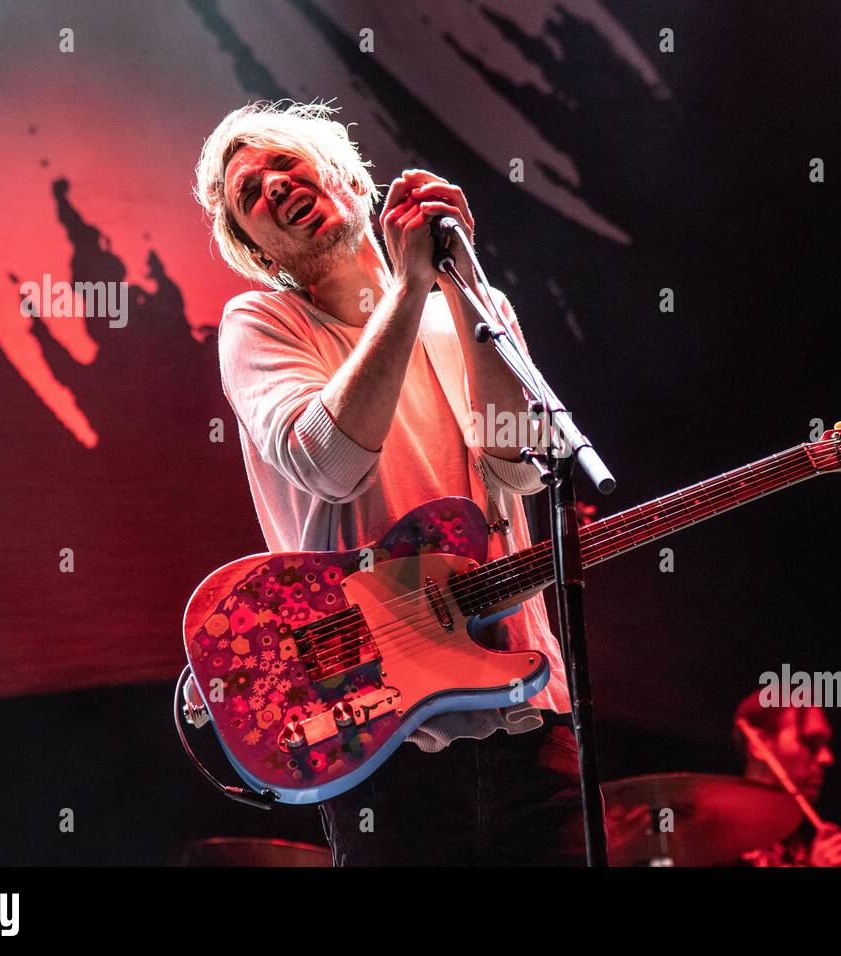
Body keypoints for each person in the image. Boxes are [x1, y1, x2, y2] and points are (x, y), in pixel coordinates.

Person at [194, 100, 583, 865]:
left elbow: (517, 466)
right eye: (250, 195)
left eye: (286, 164)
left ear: (344, 174)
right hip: (374, 721)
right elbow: (331, 463)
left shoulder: (474, 312)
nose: (274, 186)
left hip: (526, 707)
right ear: (259, 251)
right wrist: (405, 289)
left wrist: (464, 283)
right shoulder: (263, 325)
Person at [732, 690, 841, 866]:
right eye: (810, 742)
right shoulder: (720, 836)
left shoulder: (800, 835)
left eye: (824, 745)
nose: (827, 757)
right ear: (758, 744)